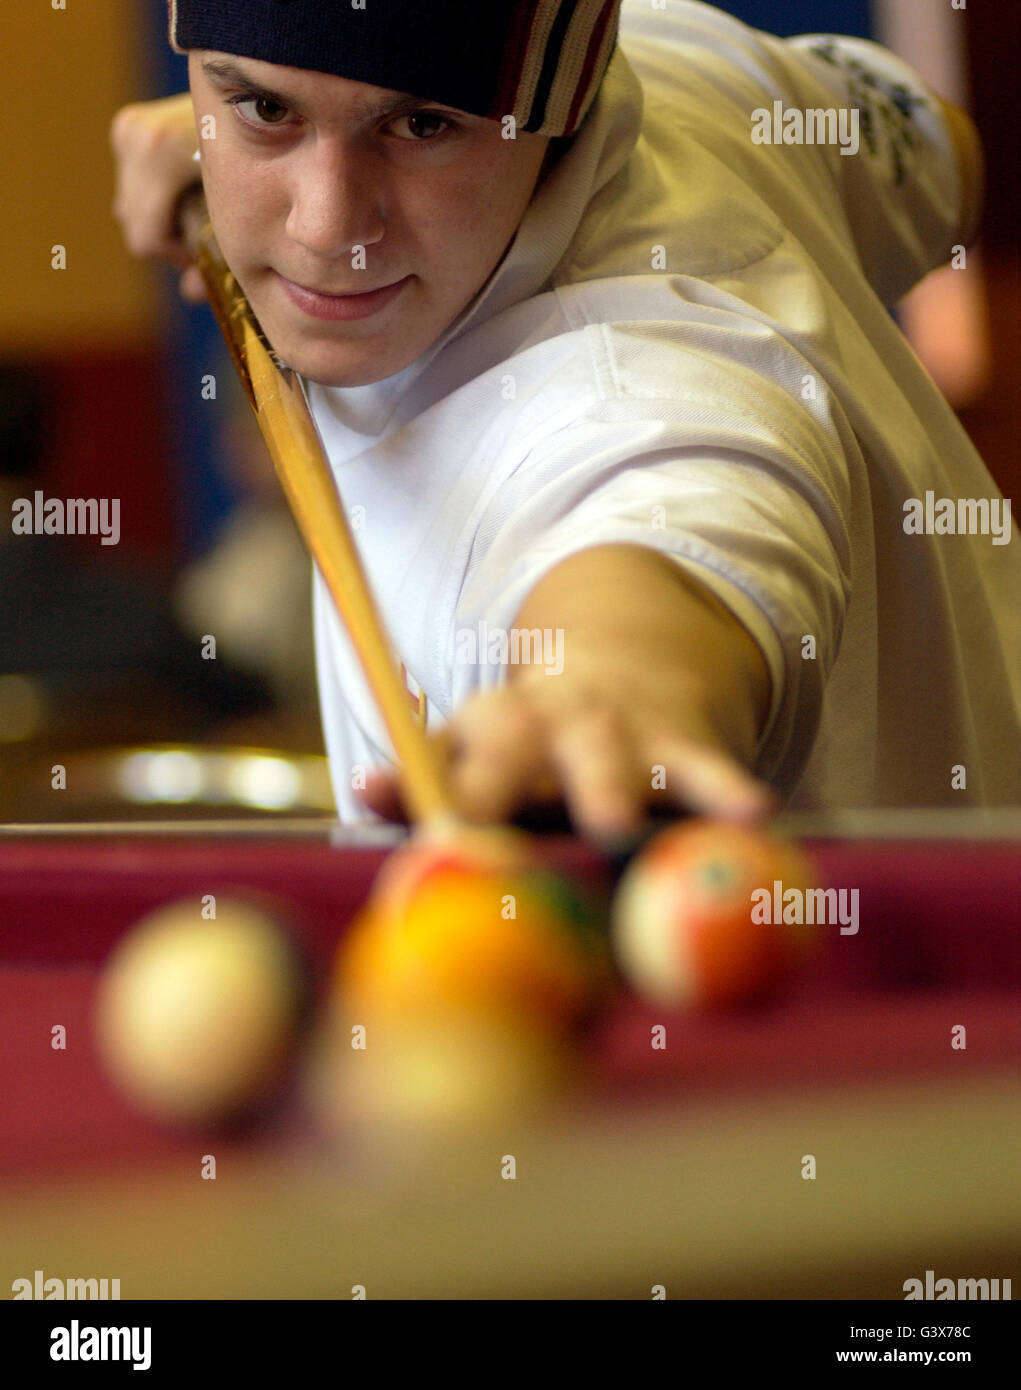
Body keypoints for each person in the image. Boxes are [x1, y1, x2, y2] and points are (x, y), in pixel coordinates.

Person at [111, 0, 1019, 842]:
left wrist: (602, 686)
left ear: (567, 104)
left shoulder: (633, 395)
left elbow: (673, 521)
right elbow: (940, 150)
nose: (323, 227)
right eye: (265, 107)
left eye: (423, 124)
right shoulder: (696, 72)